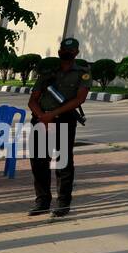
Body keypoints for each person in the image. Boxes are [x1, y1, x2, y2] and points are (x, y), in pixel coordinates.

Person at [27, 37, 91, 219]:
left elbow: (79, 99)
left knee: (62, 162)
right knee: (38, 161)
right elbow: (32, 99)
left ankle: (63, 203)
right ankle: (42, 201)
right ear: (59, 51)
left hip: (63, 120)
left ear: (76, 53)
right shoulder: (48, 72)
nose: (67, 52)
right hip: (40, 120)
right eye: (64, 49)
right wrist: (42, 116)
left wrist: (52, 115)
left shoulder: (82, 73)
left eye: (71, 50)